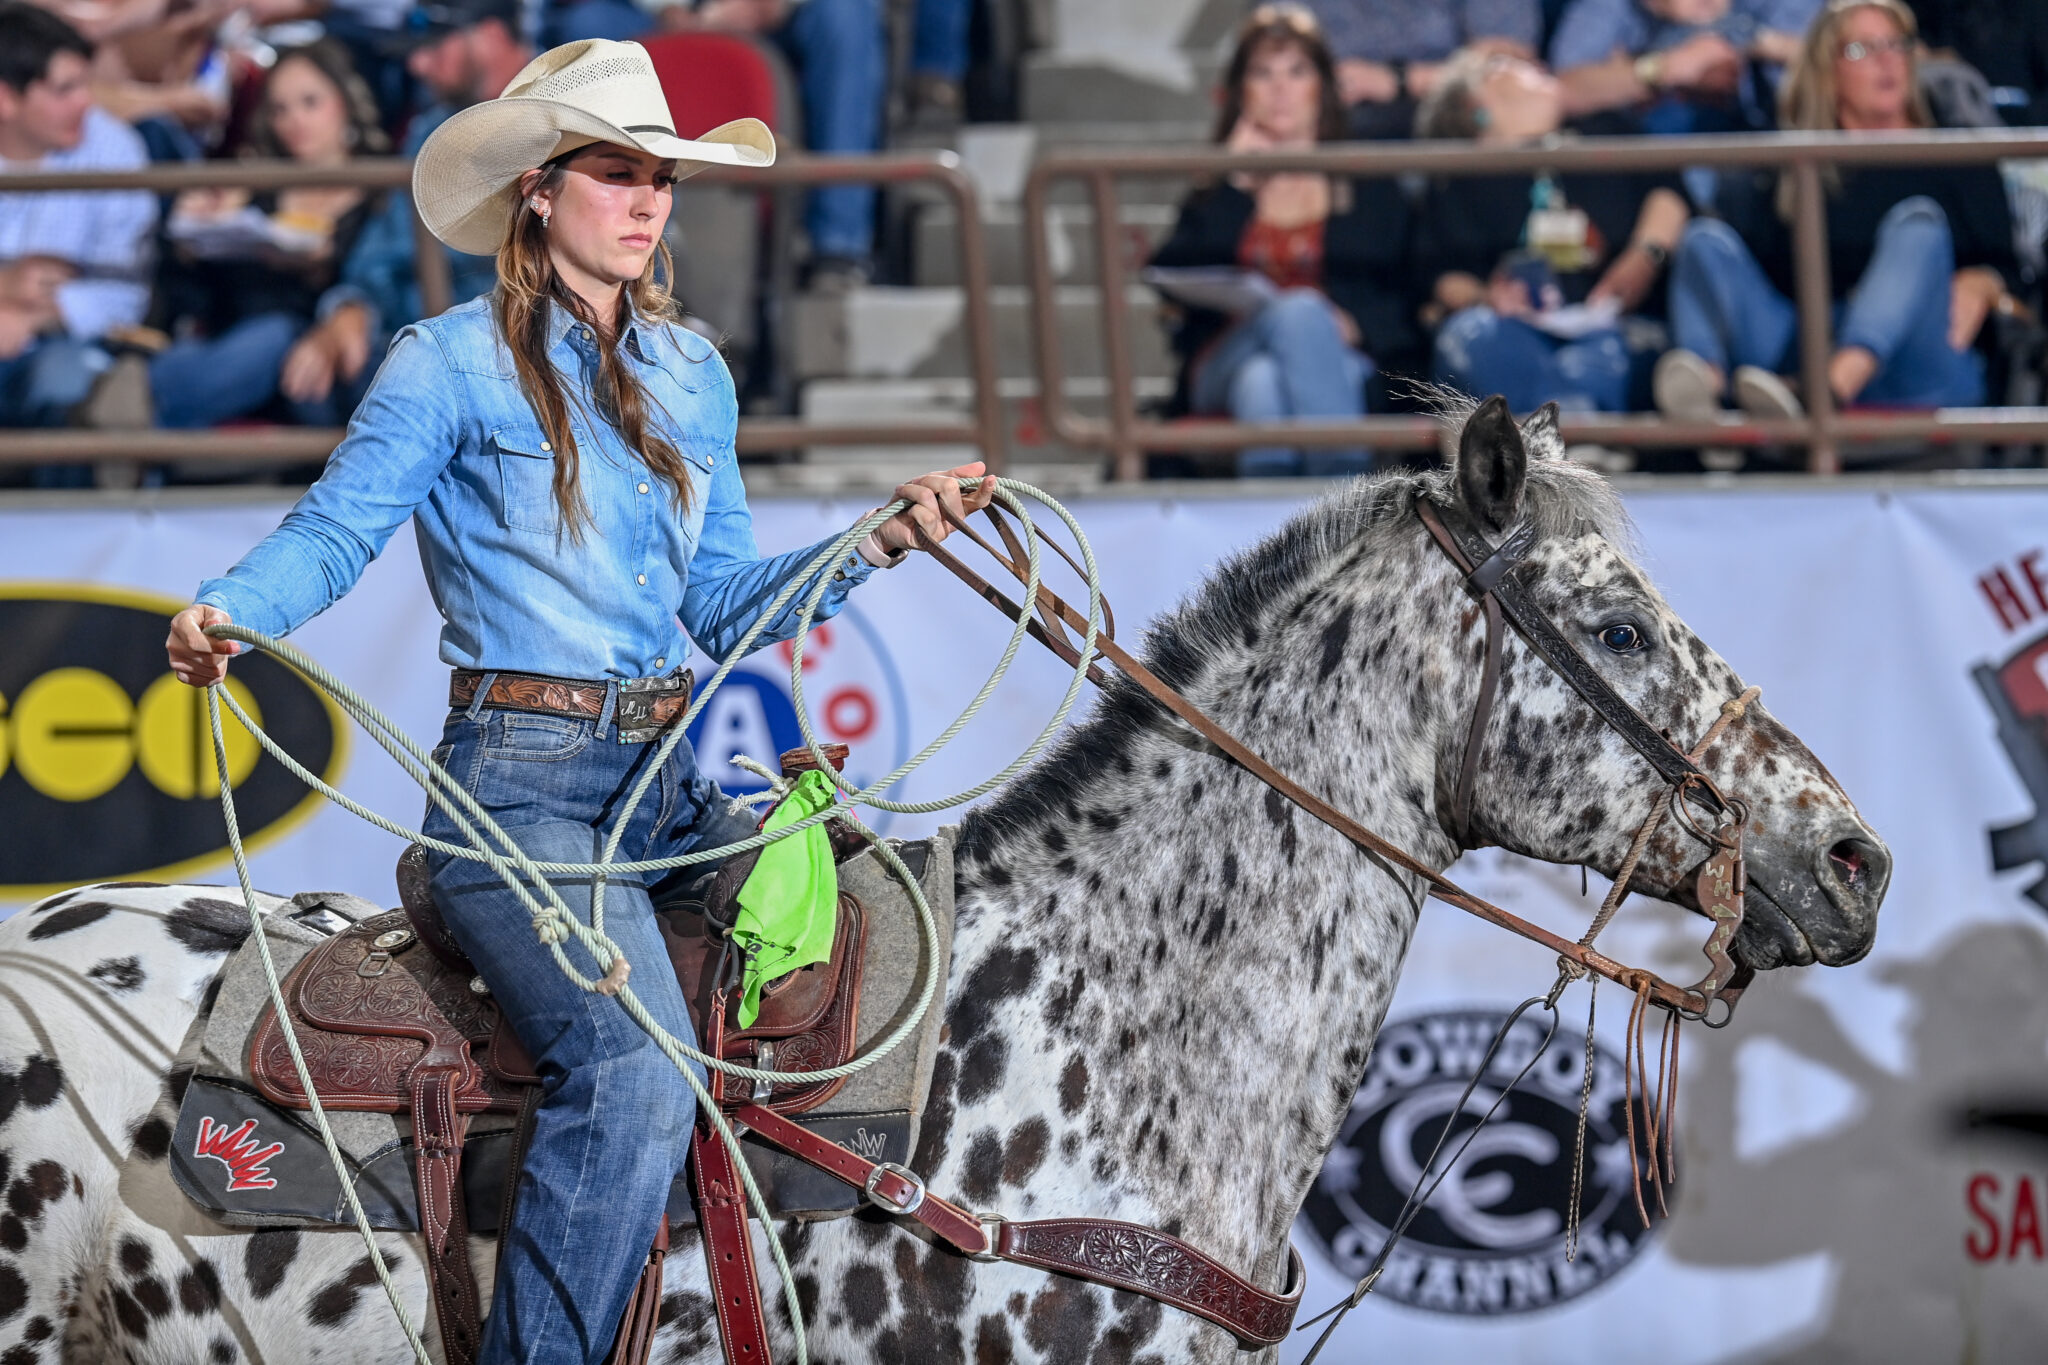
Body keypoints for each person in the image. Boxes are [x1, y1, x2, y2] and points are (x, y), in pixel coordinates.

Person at [163, 38, 992, 1364]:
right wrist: (232, 610)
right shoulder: (444, 363)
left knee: (896, 941)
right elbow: (333, 532)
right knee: (632, 1069)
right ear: (539, 192)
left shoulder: (693, 373)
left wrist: (877, 544)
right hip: (518, 785)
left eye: (661, 178)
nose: (648, 200)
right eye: (617, 172)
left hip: (668, 777)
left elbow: (723, 608)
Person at [1656, 0, 2017, 423]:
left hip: (1916, 361)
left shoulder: (1958, 155)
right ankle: (1705, 399)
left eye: (1896, 44)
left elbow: (2016, 275)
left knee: (1918, 225)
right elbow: (1763, 274)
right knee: (1703, 241)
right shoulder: (1795, 168)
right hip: (1805, 350)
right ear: (1827, 71)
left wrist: (1987, 281)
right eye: (1863, 49)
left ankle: (1830, 389)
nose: (1887, 60)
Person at [1147, 4, 1413, 477]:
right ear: (1240, 90)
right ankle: (1347, 508)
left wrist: (1358, 325)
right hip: (1226, 355)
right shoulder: (1219, 186)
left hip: (1341, 358)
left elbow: (1409, 291)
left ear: (1322, 86)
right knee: (1300, 310)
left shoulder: (1370, 184)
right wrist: (1236, 182)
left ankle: (1281, 522)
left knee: (1263, 386)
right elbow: (1173, 273)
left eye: (1296, 72)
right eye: (1262, 73)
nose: (1280, 89)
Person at [110, 38, 413, 431]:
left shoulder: (383, 192)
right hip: (232, 343)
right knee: (213, 353)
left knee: (279, 338)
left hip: (320, 355)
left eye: (310, 103)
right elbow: (199, 288)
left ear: (345, 102)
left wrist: (319, 270)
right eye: (279, 109)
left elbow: (385, 285)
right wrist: (196, 234)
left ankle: (133, 416)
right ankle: (127, 410)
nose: (295, 121)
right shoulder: (252, 187)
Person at [1417, 51, 1689, 415]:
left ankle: (1551, 434)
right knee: (1469, 336)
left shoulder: (1605, 131)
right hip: (1516, 332)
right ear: (1476, 107)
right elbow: (1441, 274)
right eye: (1507, 68)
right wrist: (1486, 297)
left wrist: (1646, 253)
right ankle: (1569, 431)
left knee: (1596, 362)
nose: (1537, 70)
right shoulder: (1461, 180)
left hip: (1615, 325)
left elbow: (1668, 192)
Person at [542, 0, 886, 288]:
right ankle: (582, 246)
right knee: (586, 27)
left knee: (845, 15)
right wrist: (668, 8)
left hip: (781, 16)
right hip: (656, 12)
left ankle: (837, 248)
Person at [0, 2, 155, 449]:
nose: (85, 101)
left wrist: (31, 318)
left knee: (69, 381)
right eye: (64, 89)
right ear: (6, 99)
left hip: (66, 344)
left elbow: (125, 293)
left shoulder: (116, 149)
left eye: (85, 84)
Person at [389, 0, 538, 321]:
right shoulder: (430, 130)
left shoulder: (572, 114)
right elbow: (388, 243)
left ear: (492, 35)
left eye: (435, 45)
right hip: (430, 324)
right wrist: (352, 304)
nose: (417, 64)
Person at [1549, 0, 1824, 131]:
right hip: (1646, 166)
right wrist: (1666, 68)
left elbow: (1832, 54)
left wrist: (1756, 43)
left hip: (1759, 163)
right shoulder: (1610, 8)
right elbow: (1562, 90)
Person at [1303, 0, 1540, 139]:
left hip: (1457, 125)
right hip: (1335, 124)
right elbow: (1283, 44)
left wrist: (1400, 79)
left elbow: (1512, 62)